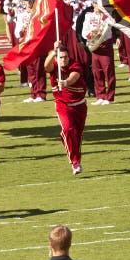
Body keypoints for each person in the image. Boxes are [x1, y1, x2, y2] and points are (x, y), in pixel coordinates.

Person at [44, 42, 88, 175]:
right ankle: (75, 162)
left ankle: (75, 155)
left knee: (78, 134)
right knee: (68, 129)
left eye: (66, 57)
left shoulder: (75, 65)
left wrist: (66, 82)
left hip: (79, 105)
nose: (64, 60)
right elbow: (46, 66)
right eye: (61, 57)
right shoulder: (54, 66)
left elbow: (75, 76)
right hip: (63, 105)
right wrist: (53, 51)